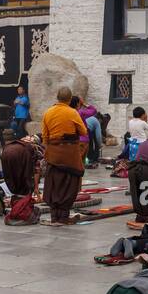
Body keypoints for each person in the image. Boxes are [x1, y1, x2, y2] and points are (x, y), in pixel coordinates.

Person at [41, 87, 89, 224]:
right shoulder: (72, 112)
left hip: (53, 153)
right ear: (69, 100)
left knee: (53, 183)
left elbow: (45, 136)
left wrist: (48, 151)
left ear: (57, 97)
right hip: (69, 154)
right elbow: (84, 131)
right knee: (69, 183)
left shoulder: (48, 112)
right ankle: (63, 216)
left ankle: (54, 216)